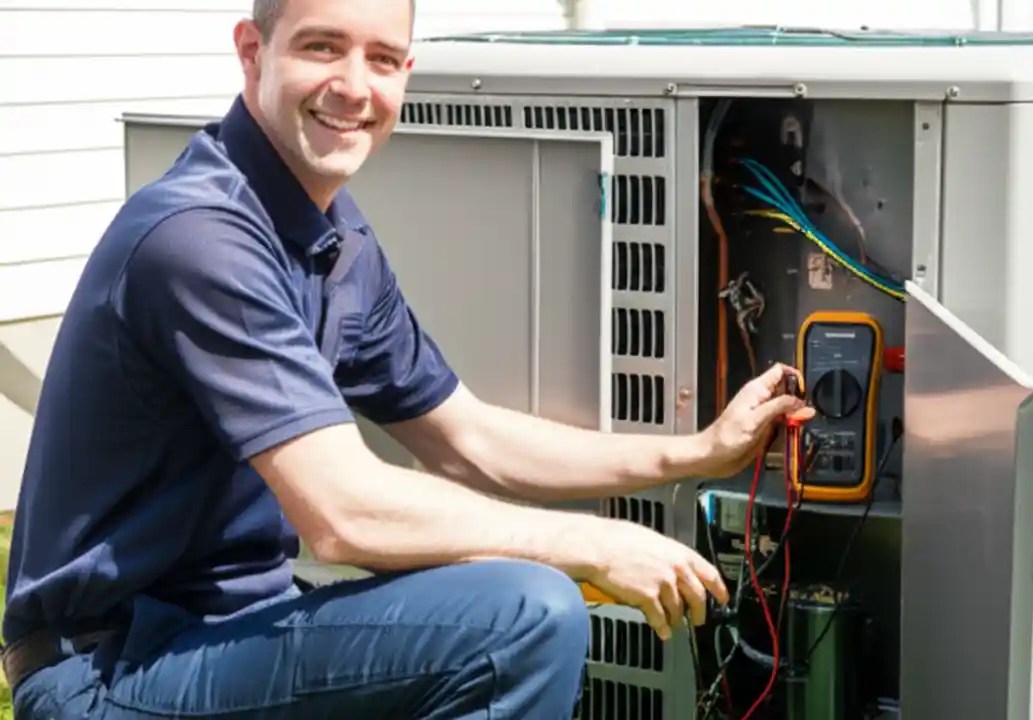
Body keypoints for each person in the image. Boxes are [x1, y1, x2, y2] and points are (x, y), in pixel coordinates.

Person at [1, 0, 811, 717]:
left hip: (225, 633)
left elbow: (469, 438)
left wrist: (694, 453)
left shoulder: (334, 239)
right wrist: (593, 544)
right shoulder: (200, 237)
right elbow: (344, 514)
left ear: (406, 74)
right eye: (322, 47)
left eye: (382, 58)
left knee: (503, 607)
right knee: (523, 618)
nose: (354, 86)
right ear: (252, 52)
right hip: (108, 667)